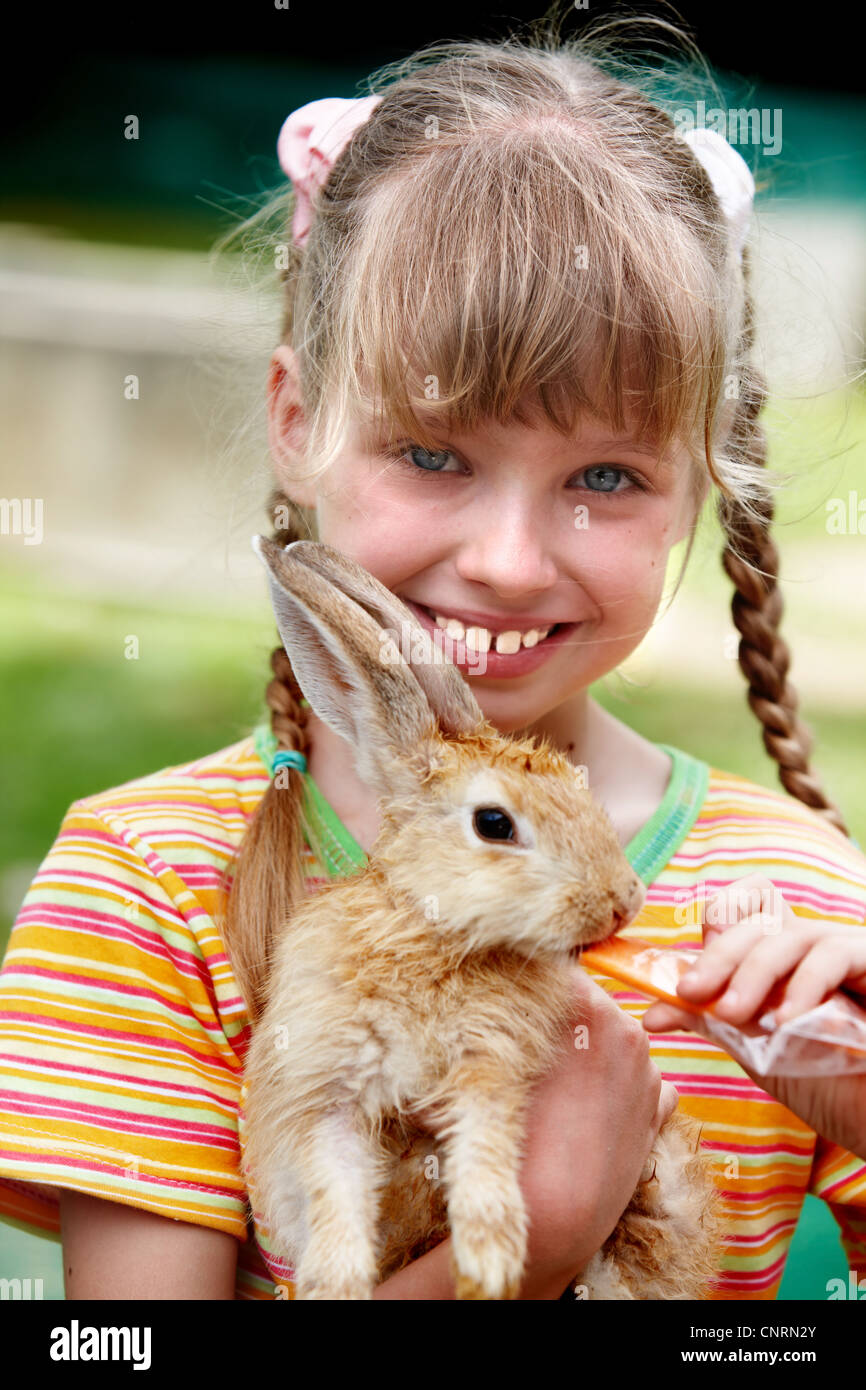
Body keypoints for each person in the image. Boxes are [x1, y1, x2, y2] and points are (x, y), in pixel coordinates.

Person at [2, 12, 866, 1301]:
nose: (512, 560)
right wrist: (527, 1244)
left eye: (609, 476)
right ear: (297, 419)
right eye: (434, 455)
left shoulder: (797, 899)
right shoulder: (151, 887)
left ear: (704, 485)